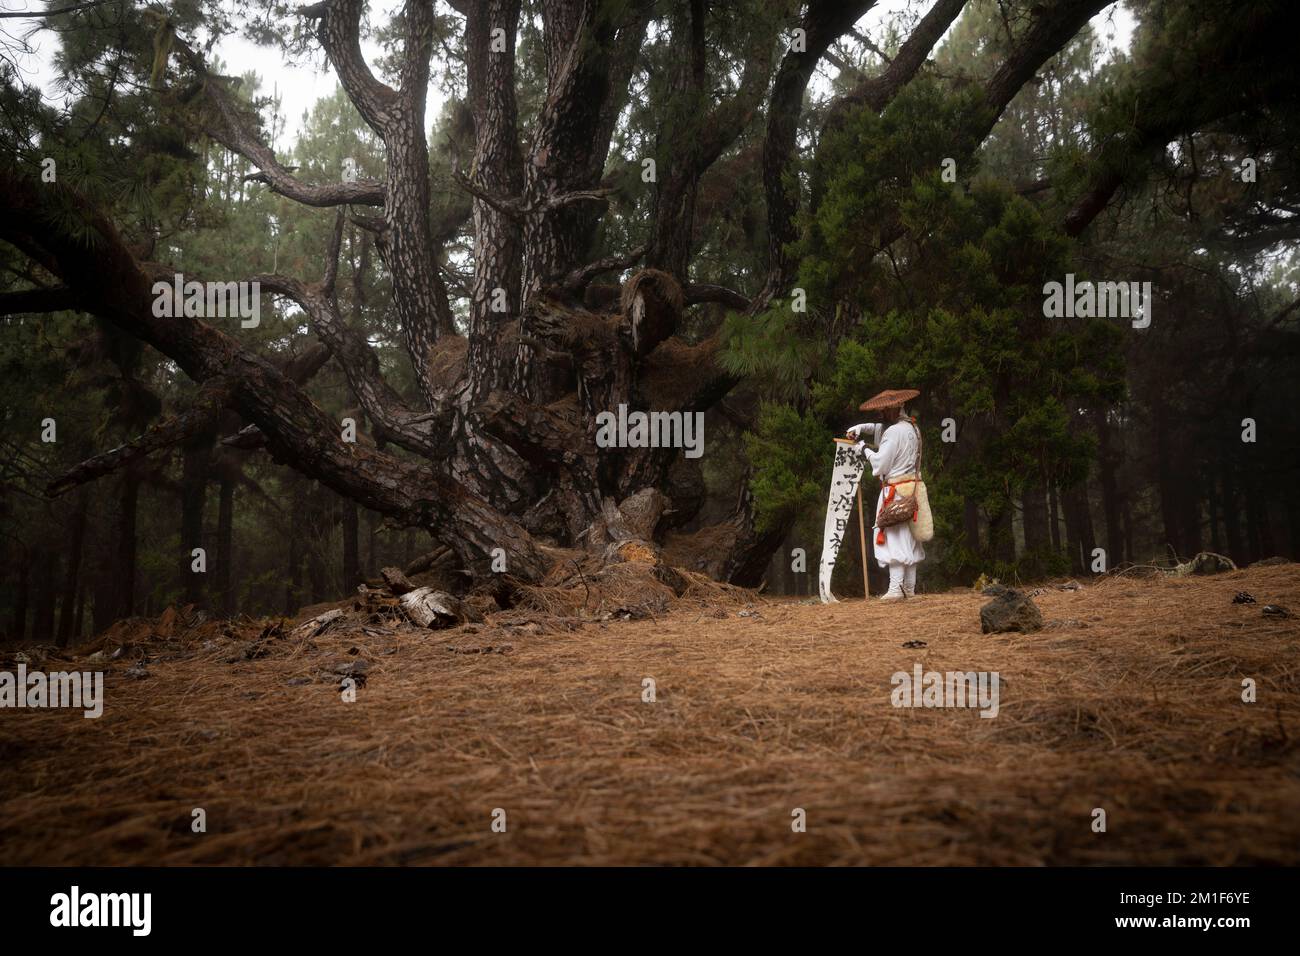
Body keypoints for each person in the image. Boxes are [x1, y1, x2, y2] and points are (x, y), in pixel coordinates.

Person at [846, 389, 926, 601]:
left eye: (883, 410)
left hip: (896, 492)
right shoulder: (913, 428)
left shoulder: (894, 432)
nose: (880, 414)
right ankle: (909, 588)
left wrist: (863, 448)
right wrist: (863, 428)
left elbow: (881, 463)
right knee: (910, 538)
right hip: (913, 491)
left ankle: (895, 589)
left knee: (894, 537)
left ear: (892, 409)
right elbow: (886, 431)